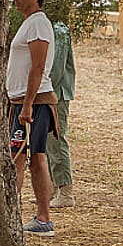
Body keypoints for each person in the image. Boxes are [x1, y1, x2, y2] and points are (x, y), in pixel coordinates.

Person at [9, 0, 58, 236]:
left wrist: (27, 105)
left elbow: (38, 68)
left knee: (19, 157)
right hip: (23, 101)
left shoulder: (38, 25)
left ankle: (23, 216)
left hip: (34, 102)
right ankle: (41, 217)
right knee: (34, 158)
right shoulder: (30, 24)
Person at [47, 12, 76, 209]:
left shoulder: (59, 31)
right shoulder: (50, 29)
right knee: (48, 143)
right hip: (50, 92)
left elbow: (56, 68)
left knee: (57, 141)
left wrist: (42, 89)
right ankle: (54, 188)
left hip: (55, 94)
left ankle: (66, 191)